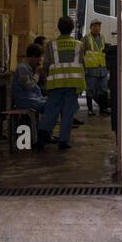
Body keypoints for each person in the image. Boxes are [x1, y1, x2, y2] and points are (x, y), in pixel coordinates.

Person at [37, 17, 85, 150]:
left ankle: (41, 138)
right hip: (72, 83)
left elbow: (46, 65)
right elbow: (82, 64)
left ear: (58, 28)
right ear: (72, 29)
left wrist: (45, 78)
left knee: (50, 110)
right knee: (68, 113)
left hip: (55, 84)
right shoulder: (79, 45)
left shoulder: (50, 45)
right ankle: (63, 141)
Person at [82, 20, 110, 117]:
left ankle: (103, 109)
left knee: (103, 88)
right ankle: (90, 109)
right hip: (91, 69)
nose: (97, 28)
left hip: (102, 68)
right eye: (95, 26)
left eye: (98, 26)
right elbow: (82, 53)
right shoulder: (86, 38)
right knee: (90, 89)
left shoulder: (102, 37)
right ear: (91, 27)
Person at [12, 44, 46, 114]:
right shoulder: (22, 68)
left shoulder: (28, 68)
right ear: (33, 57)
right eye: (38, 60)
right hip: (26, 100)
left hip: (33, 98)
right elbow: (29, 86)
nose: (39, 63)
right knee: (53, 105)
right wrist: (37, 74)